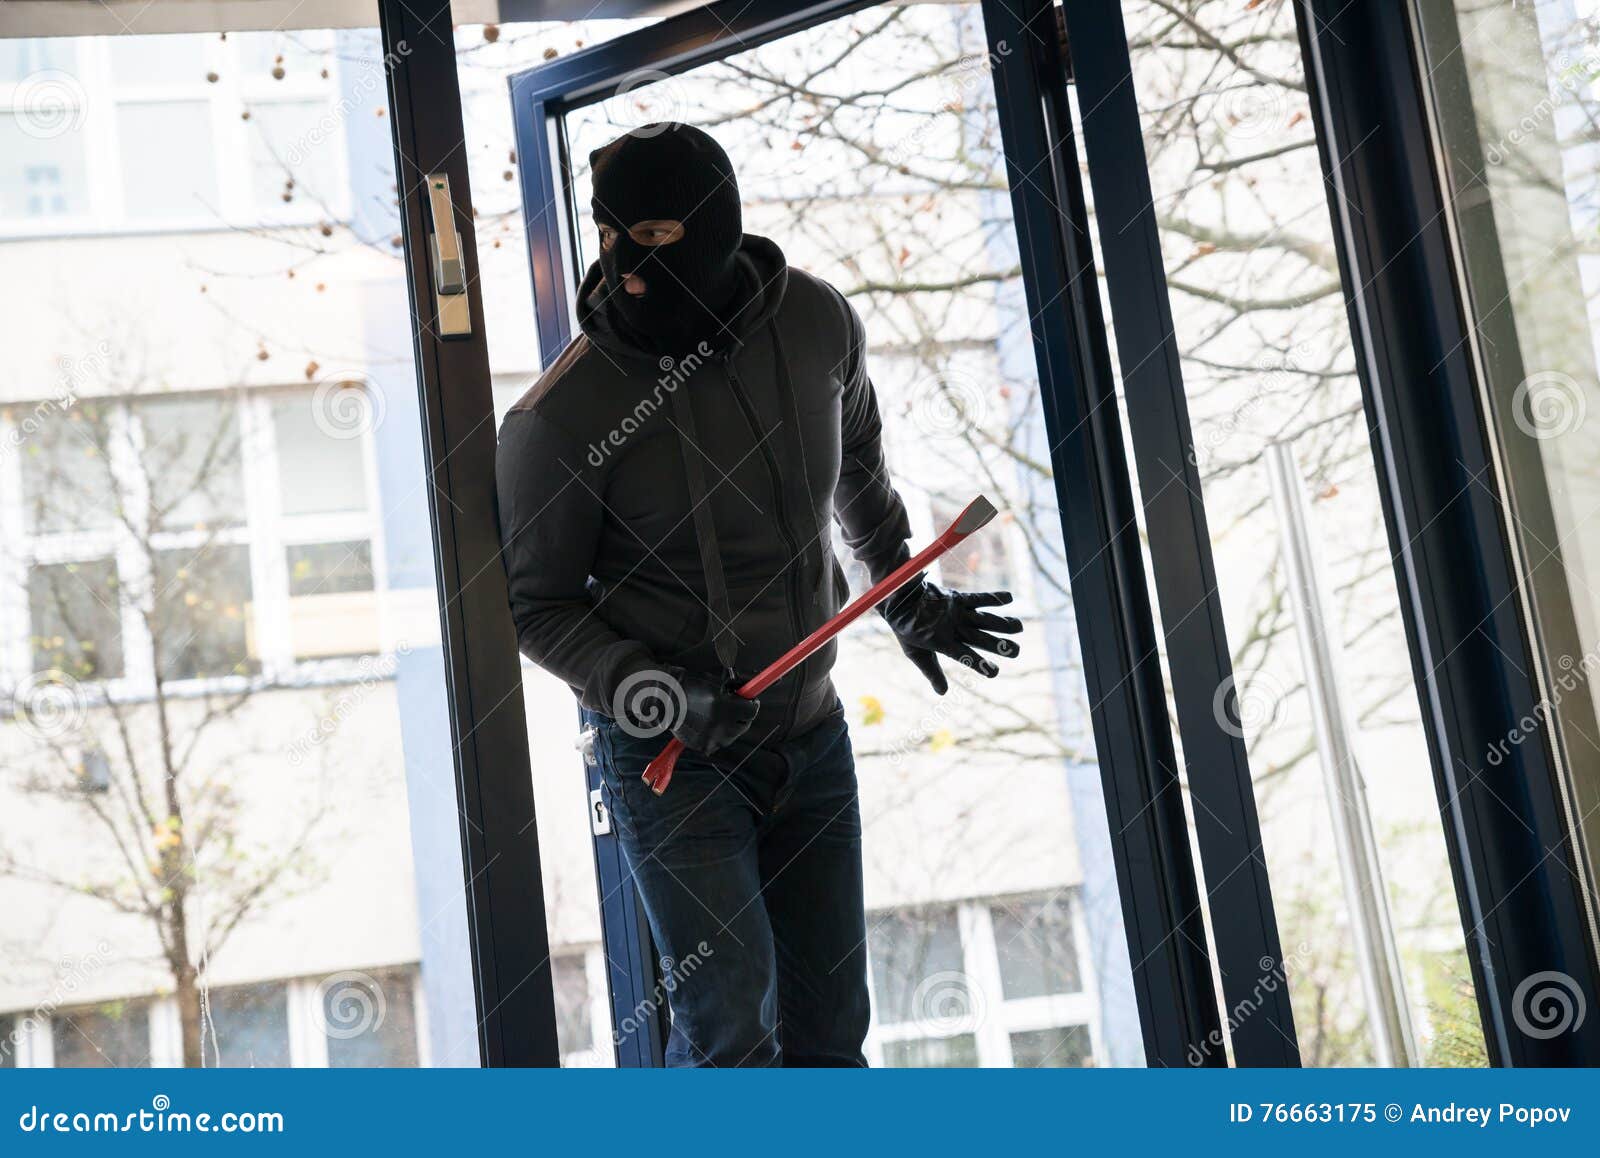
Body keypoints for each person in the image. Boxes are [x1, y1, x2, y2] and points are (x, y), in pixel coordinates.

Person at [494, 122, 1021, 1067]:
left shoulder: (817, 325)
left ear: (720, 229)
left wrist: (904, 597)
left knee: (832, 1041)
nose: (629, 274)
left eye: (657, 242)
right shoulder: (558, 417)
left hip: (813, 737)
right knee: (734, 1045)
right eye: (612, 242)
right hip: (676, 766)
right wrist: (644, 692)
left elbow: (859, 466)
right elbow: (535, 607)